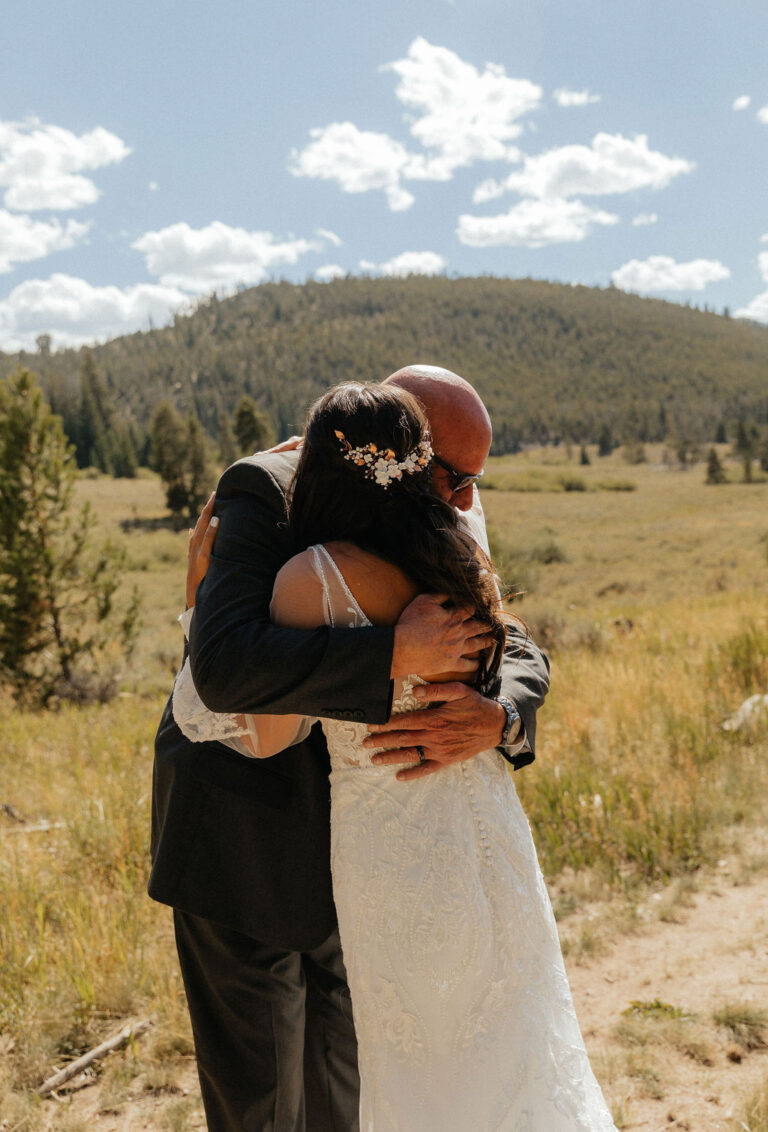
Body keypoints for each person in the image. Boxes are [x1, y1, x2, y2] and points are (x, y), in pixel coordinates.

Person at [178, 380, 615, 1130]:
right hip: (272, 841)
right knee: (494, 1061)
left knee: (401, 1076)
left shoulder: (376, 551)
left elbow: (519, 647)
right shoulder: (268, 491)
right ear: (412, 448)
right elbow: (231, 665)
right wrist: (391, 653)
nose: (466, 499)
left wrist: (499, 716)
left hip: (388, 852)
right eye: (455, 476)